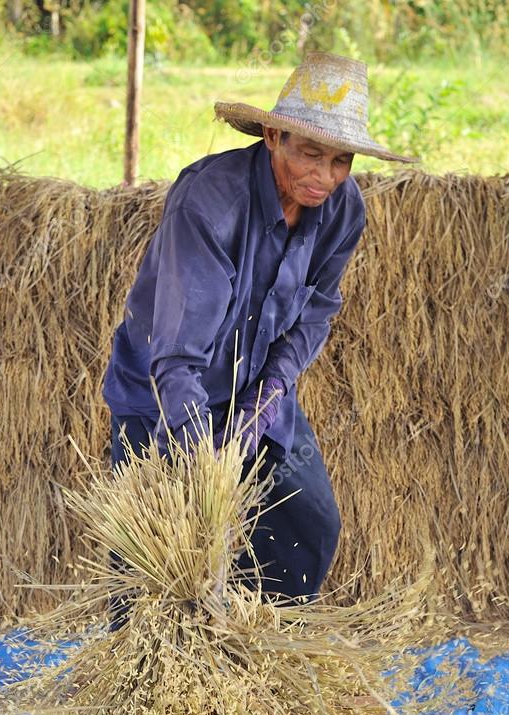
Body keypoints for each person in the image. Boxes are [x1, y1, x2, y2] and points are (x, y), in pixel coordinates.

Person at [103, 51, 416, 602]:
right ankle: (147, 675)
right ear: (273, 136)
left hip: (255, 394)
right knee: (154, 553)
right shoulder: (210, 202)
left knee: (309, 522)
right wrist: (206, 460)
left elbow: (317, 311)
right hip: (167, 395)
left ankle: (259, 654)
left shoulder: (343, 210)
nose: (325, 176)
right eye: (311, 154)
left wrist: (268, 396)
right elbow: (177, 355)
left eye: (341, 160)